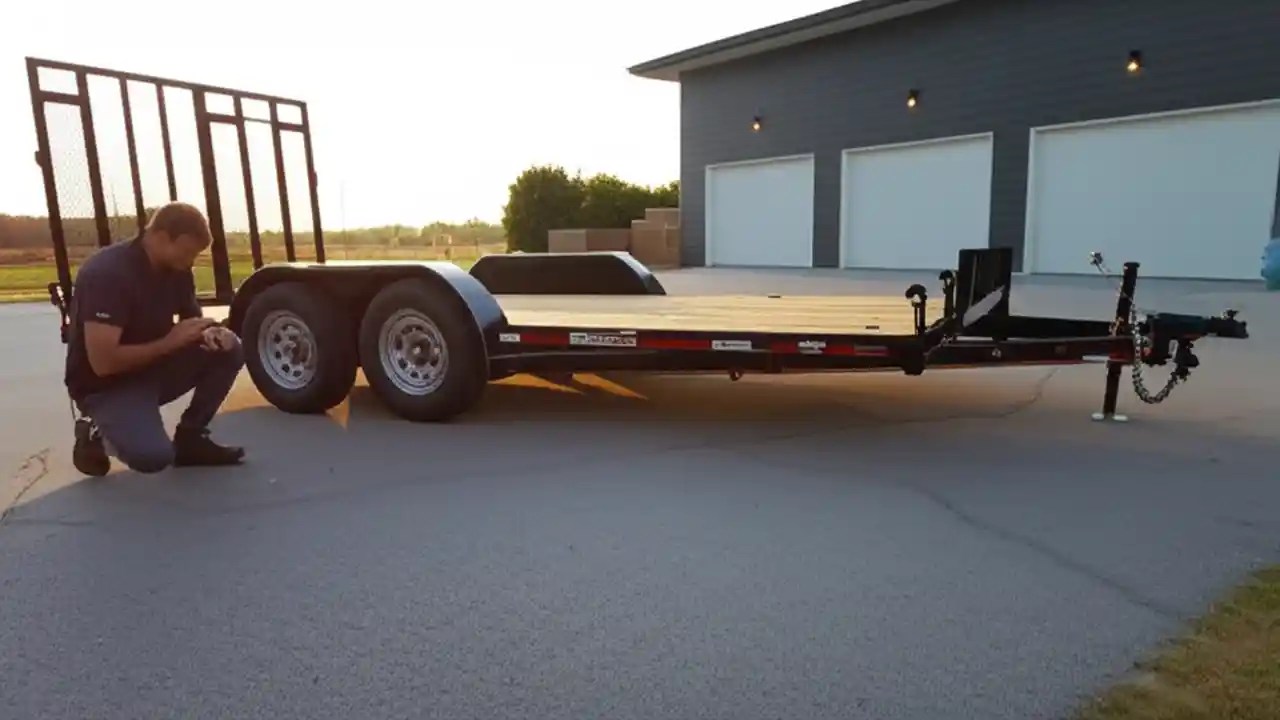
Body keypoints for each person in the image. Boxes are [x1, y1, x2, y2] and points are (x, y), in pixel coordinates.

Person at [64, 201, 247, 476]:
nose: (190, 262)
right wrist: (171, 342)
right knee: (153, 458)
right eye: (186, 252)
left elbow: (190, 321)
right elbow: (103, 363)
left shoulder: (177, 269)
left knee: (230, 349)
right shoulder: (108, 275)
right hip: (106, 385)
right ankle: (96, 431)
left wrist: (211, 333)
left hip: (153, 366)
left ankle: (191, 438)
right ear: (160, 237)